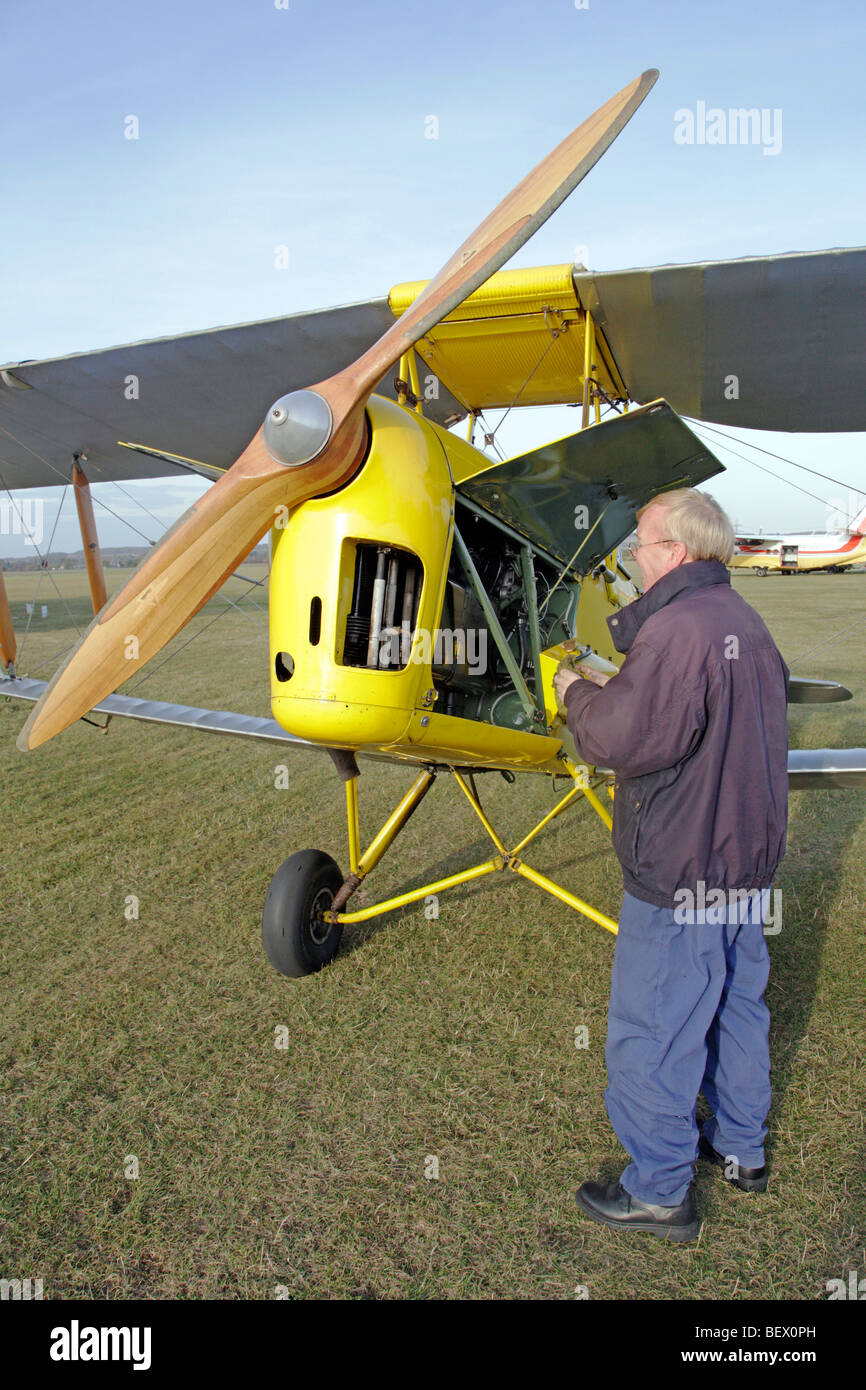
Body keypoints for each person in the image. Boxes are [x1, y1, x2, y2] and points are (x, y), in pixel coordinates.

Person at [553, 488, 789, 1242]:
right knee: (735, 1010)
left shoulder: (677, 630)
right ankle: (742, 1151)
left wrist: (571, 695)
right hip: (742, 866)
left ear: (676, 552)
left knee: (656, 1026)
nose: (631, 560)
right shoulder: (741, 621)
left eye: (640, 547)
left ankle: (657, 1190)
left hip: (682, 867)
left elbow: (624, 739)